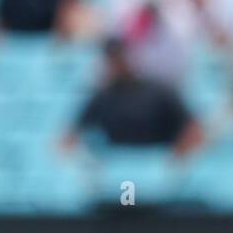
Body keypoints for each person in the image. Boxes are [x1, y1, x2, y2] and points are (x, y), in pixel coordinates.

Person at [62, 38, 202, 155]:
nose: (116, 65)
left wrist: (175, 159)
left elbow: (192, 129)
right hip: (115, 172)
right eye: (111, 60)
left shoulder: (160, 91)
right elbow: (71, 136)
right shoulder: (101, 97)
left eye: (119, 58)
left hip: (159, 167)